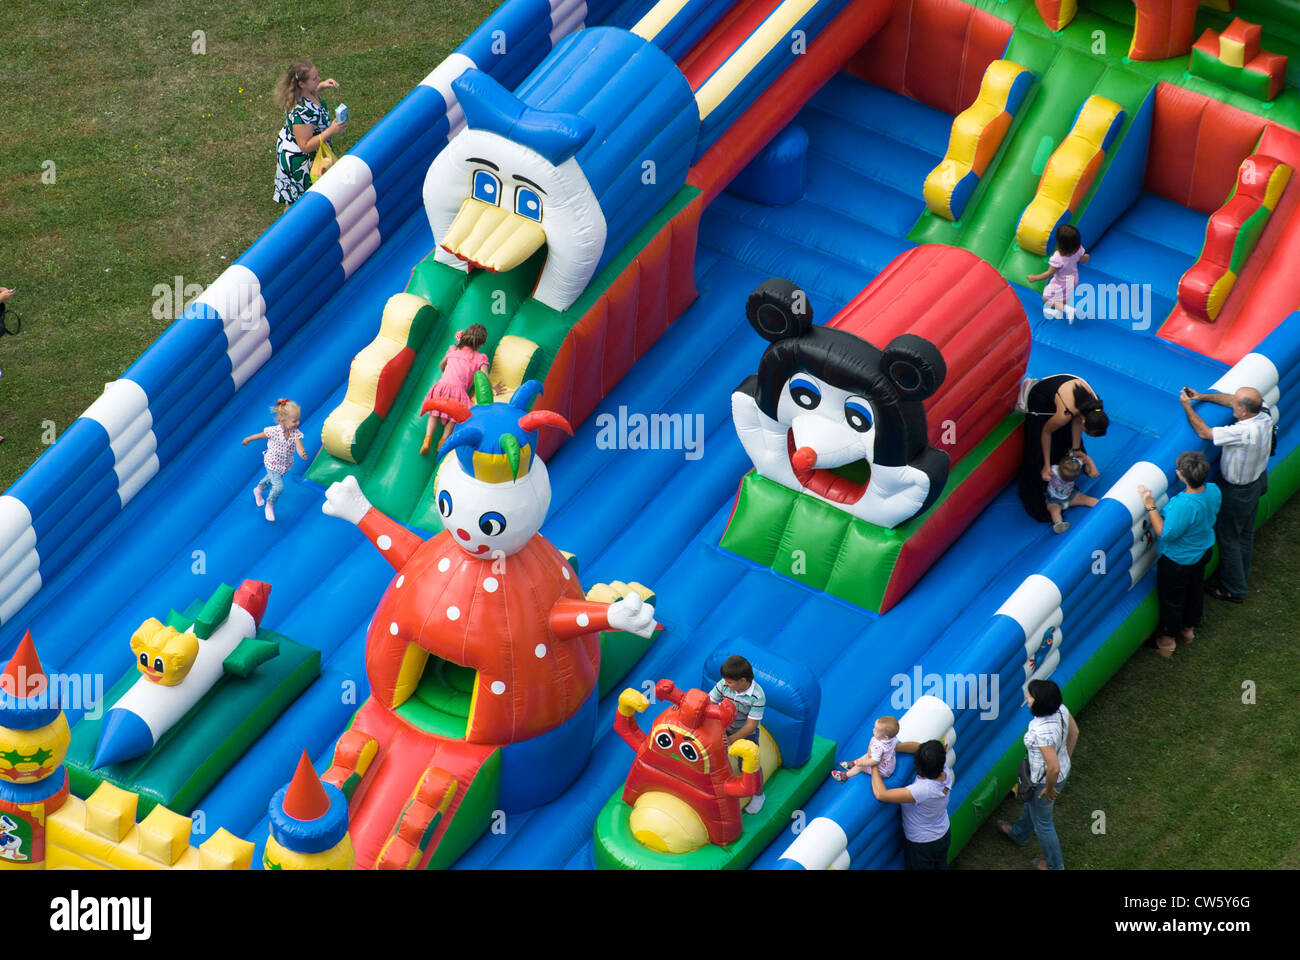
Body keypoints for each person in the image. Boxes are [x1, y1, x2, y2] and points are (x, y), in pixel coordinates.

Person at [1179, 385, 1274, 603]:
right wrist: (1202, 396)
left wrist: (1188, 406)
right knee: (1244, 533)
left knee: (1229, 538)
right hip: (1257, 481)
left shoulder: (1243, 431)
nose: (1232, 402)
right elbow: (1231, 398)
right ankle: (1242, 575)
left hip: (1239, 491)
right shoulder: (1263, 412)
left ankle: (1234, 588)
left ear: (1243, 412)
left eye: (1236, 404)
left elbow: (1204, 433)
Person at [1137, 450, 1221, 657]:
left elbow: (1165, 533)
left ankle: (1167, 641)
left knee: (1172, 599)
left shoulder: (1184, 505)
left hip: (1178, 561)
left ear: (1181, 476)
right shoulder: (1213, 490)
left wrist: (1149, 504)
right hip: (1202, 551)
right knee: (1194, 590)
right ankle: (1188, 629)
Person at [997, 678, 1078, 870]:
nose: (1027, 696)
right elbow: (1074, 733)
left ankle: (1054, 866)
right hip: (1057, 773)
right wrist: (1064, 756)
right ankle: (1019, 833)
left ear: (1039, 703)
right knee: (1033, 806)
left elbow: (1053, 767)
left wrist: (1049, 788)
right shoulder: (1062, 709)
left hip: (1044, 781)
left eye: (1031, 695)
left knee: (1043, 823)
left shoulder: (1040, 731)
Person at [1017, 375, 1108, 522]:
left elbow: (1078, 421)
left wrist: (1076, 448)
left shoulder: (1096, 408)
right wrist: (1046, 465)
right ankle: (1046, 498)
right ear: (1085, 421)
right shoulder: (1065, 414)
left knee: (1070, 445)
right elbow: (1046, 432)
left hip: (1068, 401)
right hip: (1042, 401)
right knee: (1042, 453)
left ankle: (1072, 455)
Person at [869, 739, 953, 869]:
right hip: (943, 833)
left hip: (923, 844)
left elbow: (881, 794)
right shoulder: (943, 770)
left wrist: (874, 764)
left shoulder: (923, 790)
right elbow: (918, 747)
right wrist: (892, 748)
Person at [273, 60, 346, 206]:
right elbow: (305, 146)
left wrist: (322, 86)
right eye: (314, 79)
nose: (318, 79)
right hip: (300, 161)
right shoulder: (301, 113)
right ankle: (288, 229)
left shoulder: (306, 92)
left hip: (306, 153)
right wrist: (331, 130)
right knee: (298, 205)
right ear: (302, 84)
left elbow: (312, 97)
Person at [709, 654, 766, 814]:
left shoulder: (757, 696)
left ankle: (758, 795)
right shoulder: (724, 684)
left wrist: (732, 739)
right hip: (724, 724)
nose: (725, 684)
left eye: (730, 682)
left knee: (748, 765)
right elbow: (710, 702)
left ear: (742, 680)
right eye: (725, 681)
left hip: (745, 731)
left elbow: (750, 725)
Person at [422, 325, 490, 455]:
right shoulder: (480, 358)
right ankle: (442, 441)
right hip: (459, 390)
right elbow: (484, 379)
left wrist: (445, 375)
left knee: (434, 413)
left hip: (442, 385)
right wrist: (494, 388)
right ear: (481, 343)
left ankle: (427, 439)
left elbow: (442, 364)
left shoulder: (453, 349)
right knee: (454, 417)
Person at [242, 399, 308, 522]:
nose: (298, 423)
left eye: (298, 419)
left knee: (270, 479)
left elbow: (299, 445)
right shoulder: (274, 431)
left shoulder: (295, 433)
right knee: (278, 487)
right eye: (294, 421)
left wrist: (302, 453)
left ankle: (258, 490)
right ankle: (270, 505)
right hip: (272, 463)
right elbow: (260, 435)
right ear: (283, 421)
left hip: (285, 465)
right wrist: (249, 439)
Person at [1027, 224, 1089, 321]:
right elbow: (1083, 259)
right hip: (1073, 279)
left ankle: (1067, 310)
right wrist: (1087, 257)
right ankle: (1060, 311)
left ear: (1060, 243)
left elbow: (1048, 274)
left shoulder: (1058, 258)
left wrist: (1034, 278)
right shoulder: (1078, 250)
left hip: (1061, 283)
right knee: (1064, 297)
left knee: (1046, 299)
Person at [1044, 450, 1099, 533]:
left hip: (1070, 496)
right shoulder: (1055, 470)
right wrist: (1047, 476)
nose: (1066, 480)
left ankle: (1100, 504)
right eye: (1065, 478)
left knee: (1083, 498)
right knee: (1054, 510)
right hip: (1054, 500)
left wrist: (1092, 467)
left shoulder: (1076, 464)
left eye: (1070, 479)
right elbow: (1046, 474)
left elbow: (1084, 458)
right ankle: (1059, 524)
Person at [832, 716, 899, 781]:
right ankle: (853, 764)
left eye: (876, 730)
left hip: (882, 771)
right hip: (889, 764)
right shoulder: (893, 738)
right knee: (867, 755)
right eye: (874, 727)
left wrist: (863, 763)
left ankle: (845, 776)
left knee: (860, 767)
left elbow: (875, 761)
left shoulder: (879, 747)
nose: (873, 730)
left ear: (885, 736)